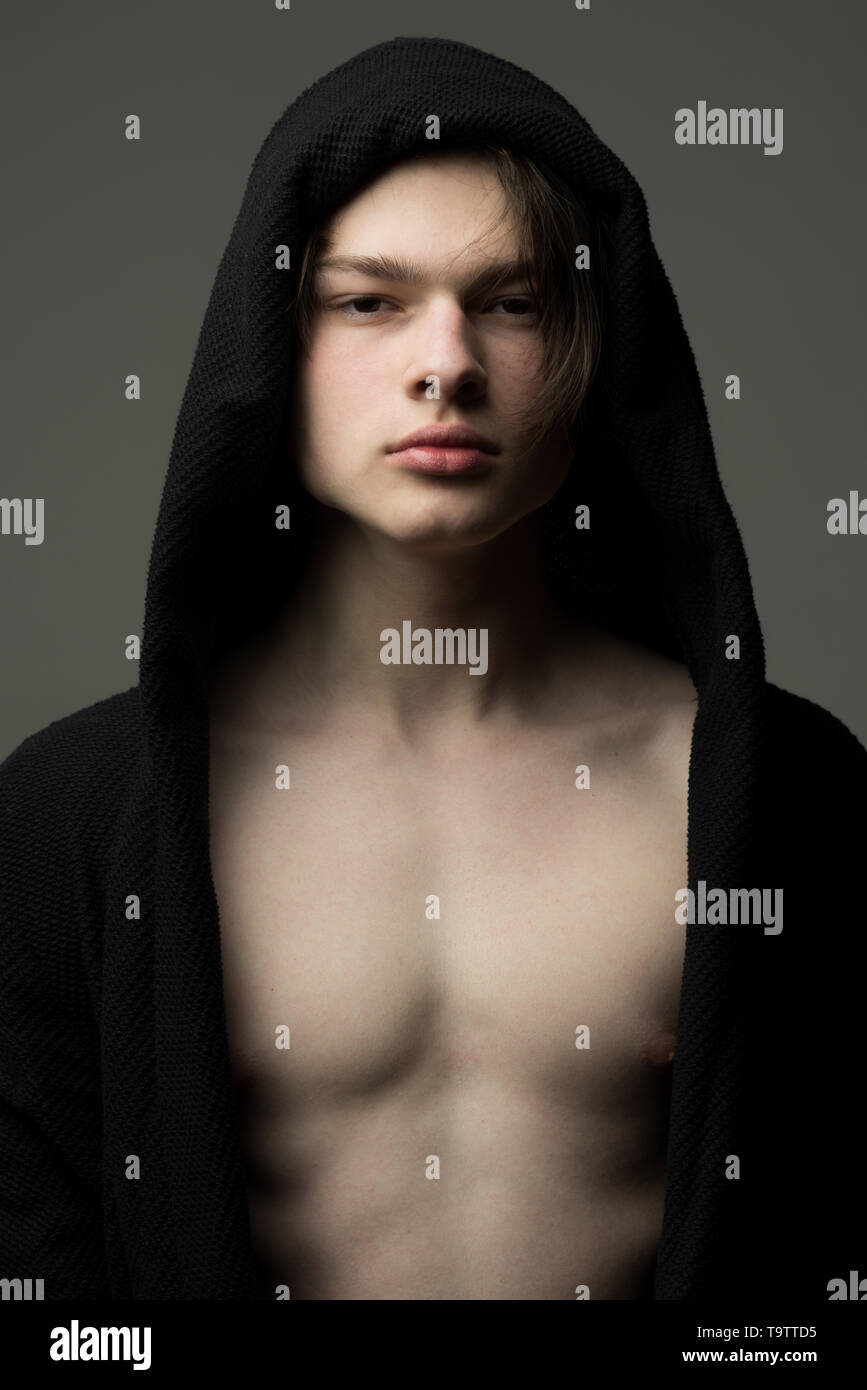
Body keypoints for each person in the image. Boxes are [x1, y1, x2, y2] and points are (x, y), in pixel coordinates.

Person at [0, 36, 864, 1302]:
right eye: (369, 301)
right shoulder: (63, 816)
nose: (445, 364)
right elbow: (45, 1297)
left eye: (512, 303)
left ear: (592, 364)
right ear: (267, 353)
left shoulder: (786, 792)